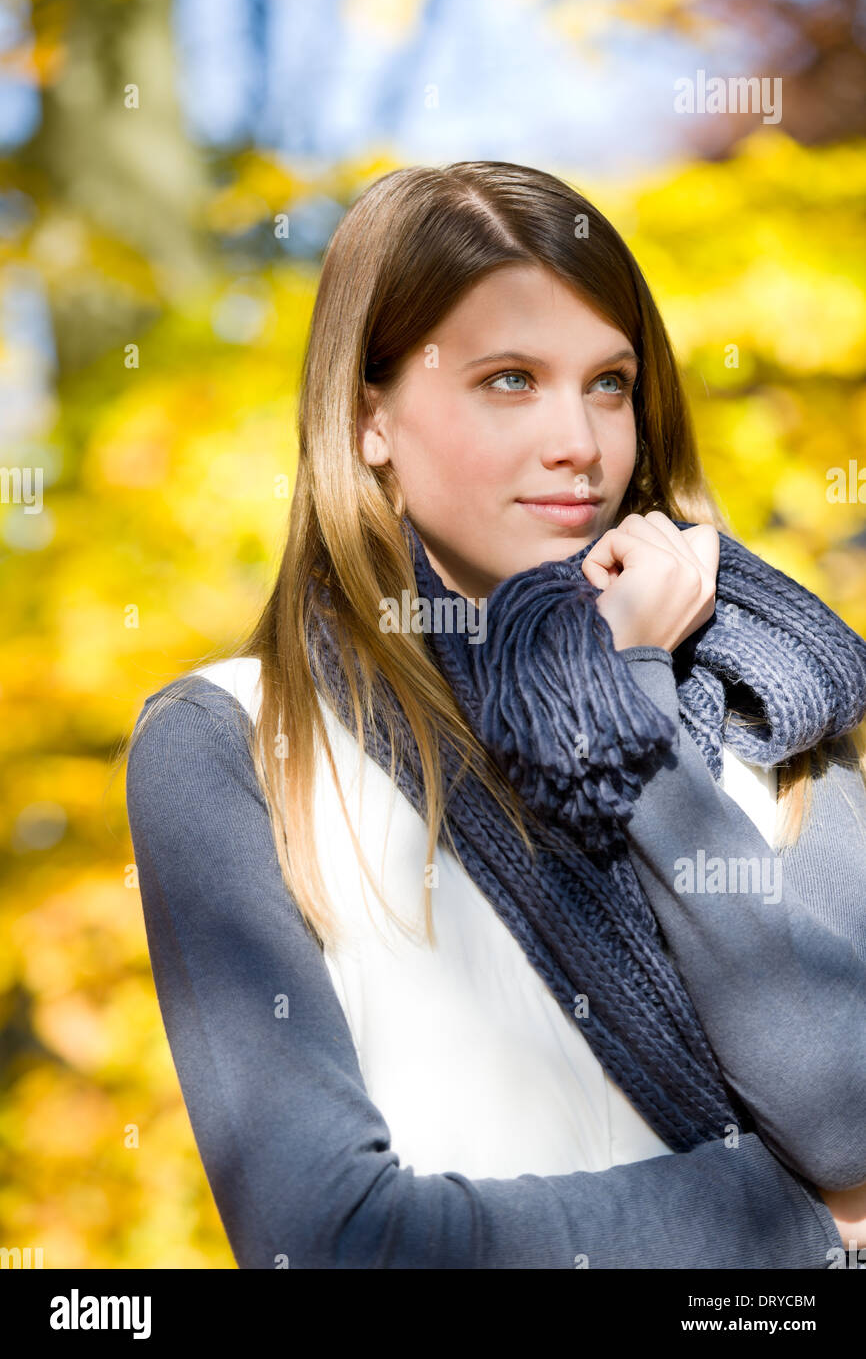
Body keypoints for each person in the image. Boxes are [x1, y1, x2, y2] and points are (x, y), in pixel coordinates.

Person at [122, 161, 866, 1268]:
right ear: (368, 414)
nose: (578, 442)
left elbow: (839, 1108)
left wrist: (632, 702)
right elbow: (333, 1244)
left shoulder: (768, 691)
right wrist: (794, 1228)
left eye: (608, 383)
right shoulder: (232, 742)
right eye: (509, 379)